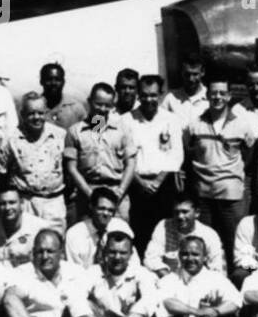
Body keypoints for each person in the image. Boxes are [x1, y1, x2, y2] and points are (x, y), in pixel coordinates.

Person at [182, 80, 255, 262]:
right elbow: (187, 152)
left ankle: (240, 279)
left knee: (236, 242)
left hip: (231, 195)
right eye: (213, 93)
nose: (217, 97)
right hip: (203, 195)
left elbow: (249, 157)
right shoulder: (195, 124)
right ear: (207, 96)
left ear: (229, 96)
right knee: (204, 242)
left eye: (222, 93)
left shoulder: (242, 125)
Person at [125, 74, 185, 254]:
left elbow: (177, 156)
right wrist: (140, 181)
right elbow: (119, 154)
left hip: (164, 185)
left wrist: (158, 181)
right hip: (136, 184)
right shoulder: (126, 119)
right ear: (138, 95)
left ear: (160, 94)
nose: (148, 99)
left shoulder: (171, 120)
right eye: (144, 95)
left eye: (153, 95)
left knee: (166, 232)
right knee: (140, 233)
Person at [0, 92, 68, 233]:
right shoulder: (11, 139)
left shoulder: (60, 135)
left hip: (54, 203)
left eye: (40, 113)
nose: (36, 117)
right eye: (31, 113)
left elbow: (68, 169)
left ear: (46, 113)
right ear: (22, 114)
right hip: (25, 203)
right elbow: (0, 176)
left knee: (53, 244)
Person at [63, 82, 135, 221]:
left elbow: (130, 164)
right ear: (89, 102)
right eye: (98, 104)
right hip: (87, 192)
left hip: (116, 192)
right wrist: (90, 194)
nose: (102, 109)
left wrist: (119, 193)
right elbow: (71, 168)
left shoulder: (123, 130)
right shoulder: (75, 132)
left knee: (118, 236)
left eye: (107, 105)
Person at [144, 196, 225, 277]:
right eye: (176, 212)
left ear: (197, 213)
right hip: (169, 278)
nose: (180, 216)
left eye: (185, 212)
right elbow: (151, 259)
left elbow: (217, 267)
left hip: (198, 281)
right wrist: (171, 280)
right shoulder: (164, 226)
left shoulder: (209, 234)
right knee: (146, 275)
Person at [63, 186, 140, 271]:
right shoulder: (75, 233)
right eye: (101, 209)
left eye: (110, 210)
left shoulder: (121, 227)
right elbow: (74, 270)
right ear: (91, 206)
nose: (106, 213)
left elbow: (134, 263)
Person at [0, 187, 46, 270]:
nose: (7, 208)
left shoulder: (39, 228)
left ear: (22, 204)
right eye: (2, 204)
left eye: (12, 202)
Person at [39, 62, 86, 131]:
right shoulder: (33, 106)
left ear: (63, 82)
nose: (53, 83)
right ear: (41, 81)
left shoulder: (76, 108)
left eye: (57, 79)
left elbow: (89, 132)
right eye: (49, 79)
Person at [163, 55, 209, 126]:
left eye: (195, 74)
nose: (191, 79)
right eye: (187, 74)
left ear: (202, 73)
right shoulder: (171, 98)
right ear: (182, 73)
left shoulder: (210, 97)